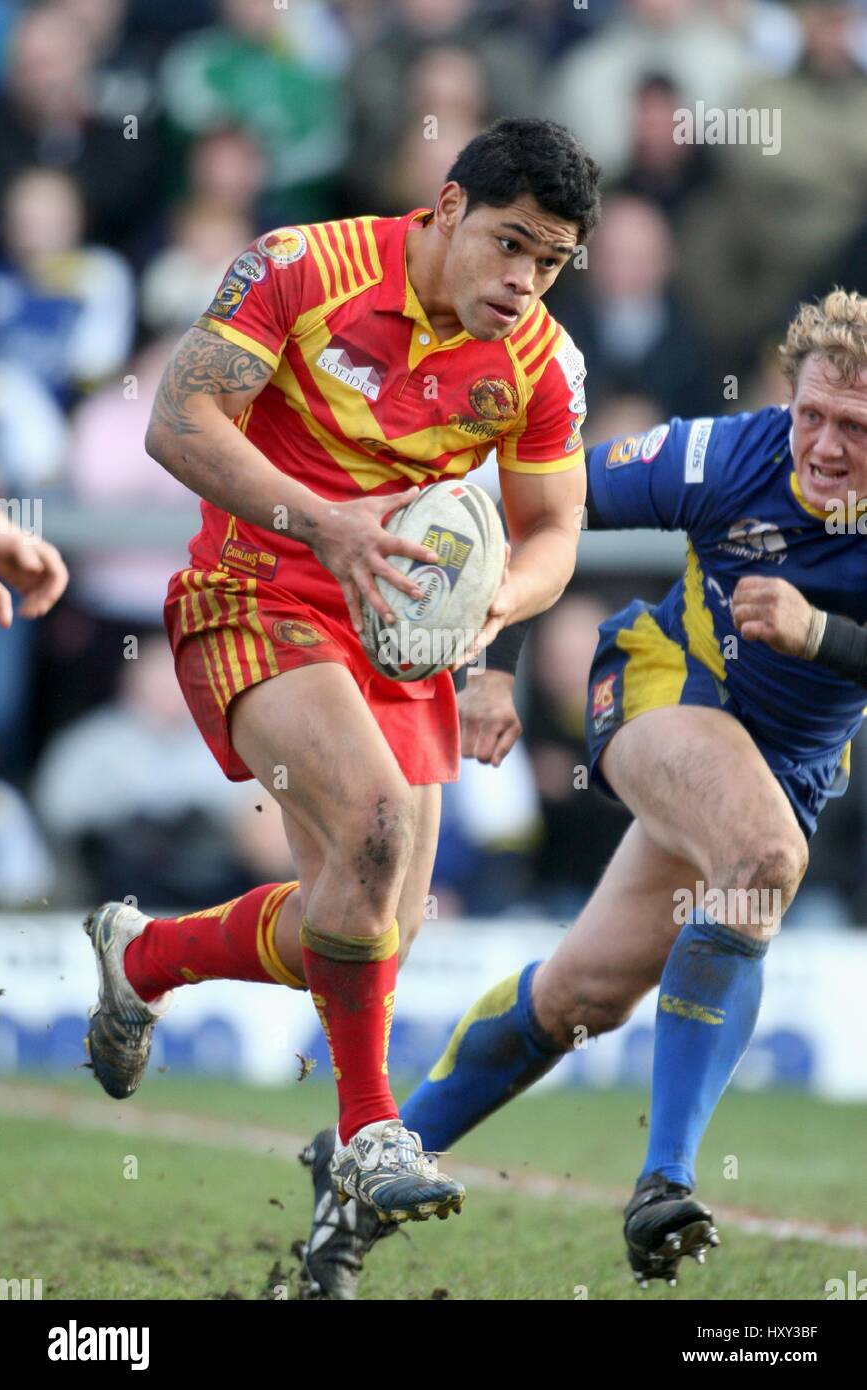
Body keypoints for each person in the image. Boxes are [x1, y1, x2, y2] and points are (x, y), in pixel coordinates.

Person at [81, 119, 601, 1226]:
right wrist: (322, 525)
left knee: (365, 922)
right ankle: (369, 1133)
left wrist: (493, 607)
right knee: (369, 830)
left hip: (398, 623)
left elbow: (555, 528)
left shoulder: (539, 361)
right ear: (448, 205)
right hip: (259, 583)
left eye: (549, 262)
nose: (523, 282)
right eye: (509, 245)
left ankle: (146, 956)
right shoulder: (303, 265)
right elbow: (177, 423)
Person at [298, 287, 867, 1295]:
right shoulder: (725, 458)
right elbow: (533, 501)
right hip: (661, 684)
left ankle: (355, 1173)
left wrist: (816, 631)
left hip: (779, 770)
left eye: (852, 428)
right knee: (765, 857)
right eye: (808, 414)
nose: (820, 446)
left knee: (580, 999)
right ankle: (665, 1181)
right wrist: (493, 662)